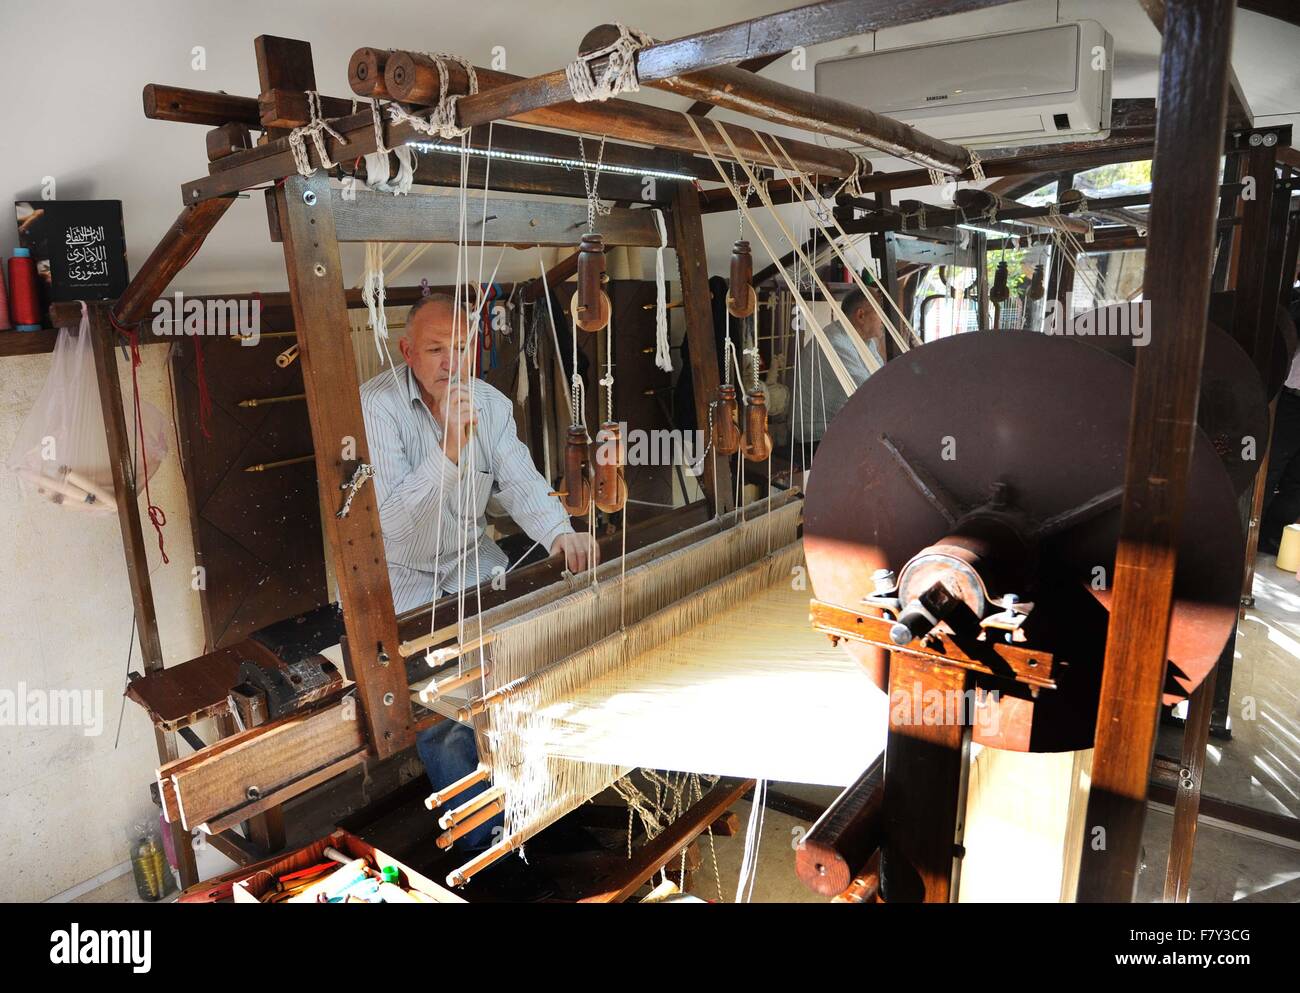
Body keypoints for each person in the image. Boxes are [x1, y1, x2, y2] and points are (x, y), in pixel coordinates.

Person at [360, 293, 600, 849]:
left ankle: (537, 812)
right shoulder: (378, 406)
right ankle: (483, 844)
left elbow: (518, 479)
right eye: (436, 349)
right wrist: (446, 450)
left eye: (462, 348)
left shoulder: (491, 405)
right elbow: (397, 526)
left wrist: (559, 531)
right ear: (407, 351)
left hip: (474, 560)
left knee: (519, 684)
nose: (451, 363)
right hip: (405, 576)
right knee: (447, 715)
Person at [792, 283, 887, 448]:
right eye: (880, 314)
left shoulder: (866, 342)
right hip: (814, 432)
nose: (884, 320)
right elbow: (870, 391)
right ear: (861, 315)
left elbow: (882, 378)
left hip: (838, 425)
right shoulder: (835, 342)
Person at [1259, 289, 1300, 556]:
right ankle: (1253, 534)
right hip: (1291, 399)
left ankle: (1275, 536)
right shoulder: (1295, 302)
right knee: (1272, 467)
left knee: (1297, 479)